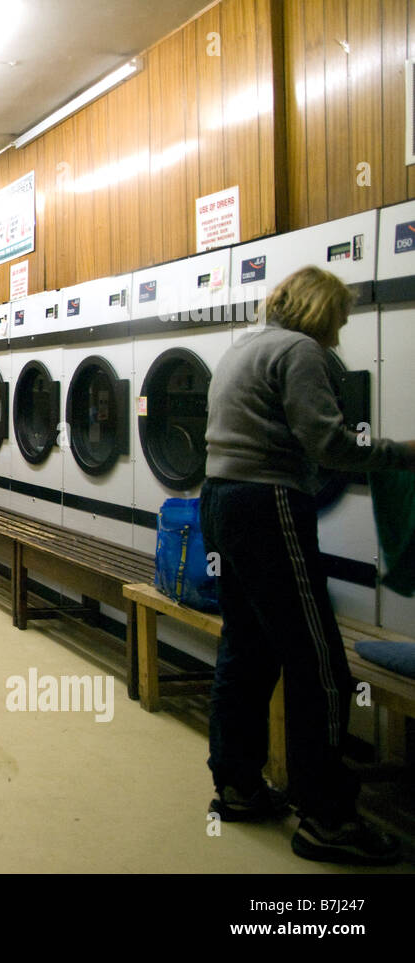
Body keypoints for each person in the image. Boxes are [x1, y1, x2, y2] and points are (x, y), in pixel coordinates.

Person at [201, 265, 415, 866]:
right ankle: (327, 817)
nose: (341, 336)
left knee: (247, 647)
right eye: (340, 321)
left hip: (219, 497)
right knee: (319, 660)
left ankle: (238, 786)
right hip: (267, 502)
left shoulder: (246, 347)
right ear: (321, 312)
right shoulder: (301, 353)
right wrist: (401, 455)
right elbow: (329, 442)